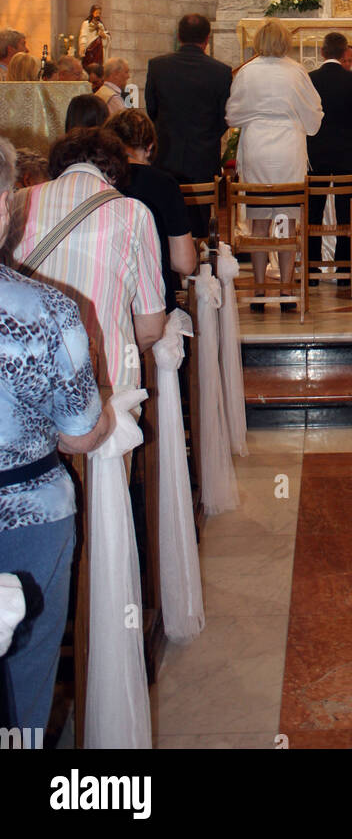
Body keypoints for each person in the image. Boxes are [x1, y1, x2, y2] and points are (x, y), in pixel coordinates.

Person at [0, 134, 114, 734]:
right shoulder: (45, 309)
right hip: (26, 517)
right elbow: (81, 434)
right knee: (22, 691)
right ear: (2, 207)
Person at [11, 129, 165, 392]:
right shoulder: (134, 213)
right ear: (115, 173)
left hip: (24, 371)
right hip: (107, 379)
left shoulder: (18, 202)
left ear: (57, 166)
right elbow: (151, 327)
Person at [226, 20, 323, 311]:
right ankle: (284, 288)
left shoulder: (246, 72)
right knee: (285, 218)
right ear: (285, 43)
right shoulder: (296, 72)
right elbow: (314, 114)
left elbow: (232, 114)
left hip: (256, 144)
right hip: (287, 146)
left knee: (258, 219)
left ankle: (257, 290)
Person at [144, 14, 233, 229]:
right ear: (207, 38)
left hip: (166, 155)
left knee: (166, 219)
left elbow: (151, 108)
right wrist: (207, 137)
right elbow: (225, 117)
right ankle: (201, 260)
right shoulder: (221, 71)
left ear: (178, 36)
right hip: (203, 157)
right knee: (201, 221)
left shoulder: (158, 66)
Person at [105, 110, 197, 315]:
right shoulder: (163, 184)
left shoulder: (101, 179)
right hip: (156, 302)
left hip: (109, 301)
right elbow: (184, 263)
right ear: (149, 147)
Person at [307, 32, 352, 286]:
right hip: (346, 154)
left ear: (322, 52)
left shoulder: (310, 79)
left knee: (314, 211)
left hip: (316, 154)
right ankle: (345, 270)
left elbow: (306, 116)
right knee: (346, 212)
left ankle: (312, 270)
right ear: (344, 52)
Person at [77, 4, 110, 69]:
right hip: (90, 49)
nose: (98, 15)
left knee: (98, 66)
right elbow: (83, 35)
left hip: (99, 50)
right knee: (89, 66)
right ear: (92, 13)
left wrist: (104, 36)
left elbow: (106, 37)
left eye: (99, 13)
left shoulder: (101, 25)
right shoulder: (86, 24)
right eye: (97, 13)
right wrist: (82, 46)